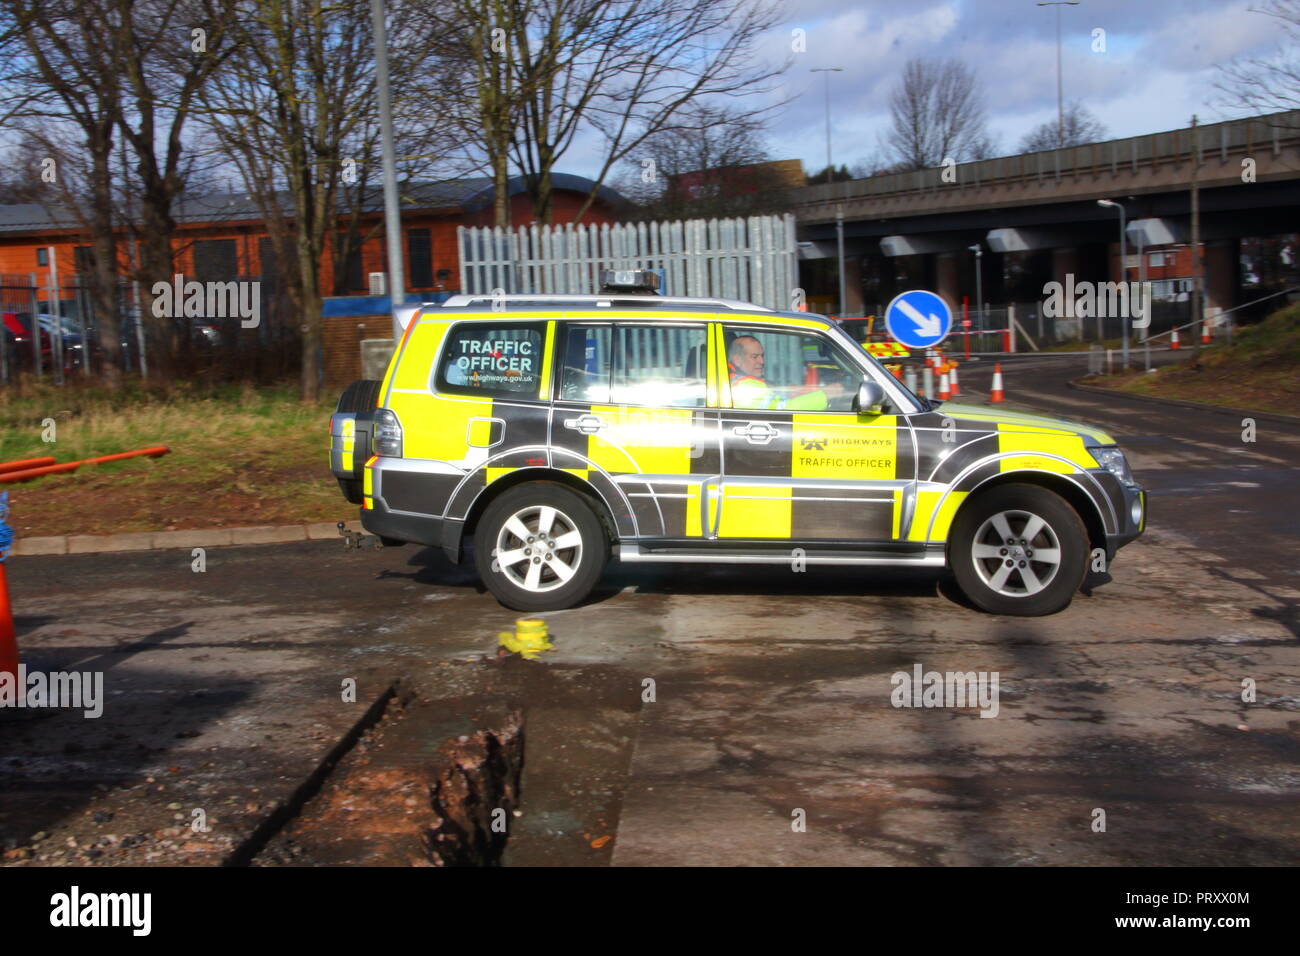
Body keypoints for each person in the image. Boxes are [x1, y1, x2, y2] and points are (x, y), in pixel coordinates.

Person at [727, 335, 845, 410]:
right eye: (754, 356)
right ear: (737, 359)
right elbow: (784, 410)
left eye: (762, 355)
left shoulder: (744, 381)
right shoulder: (744, 386)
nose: (762, 361)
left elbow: (776, 398)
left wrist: (796, 392)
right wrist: (826, 395)